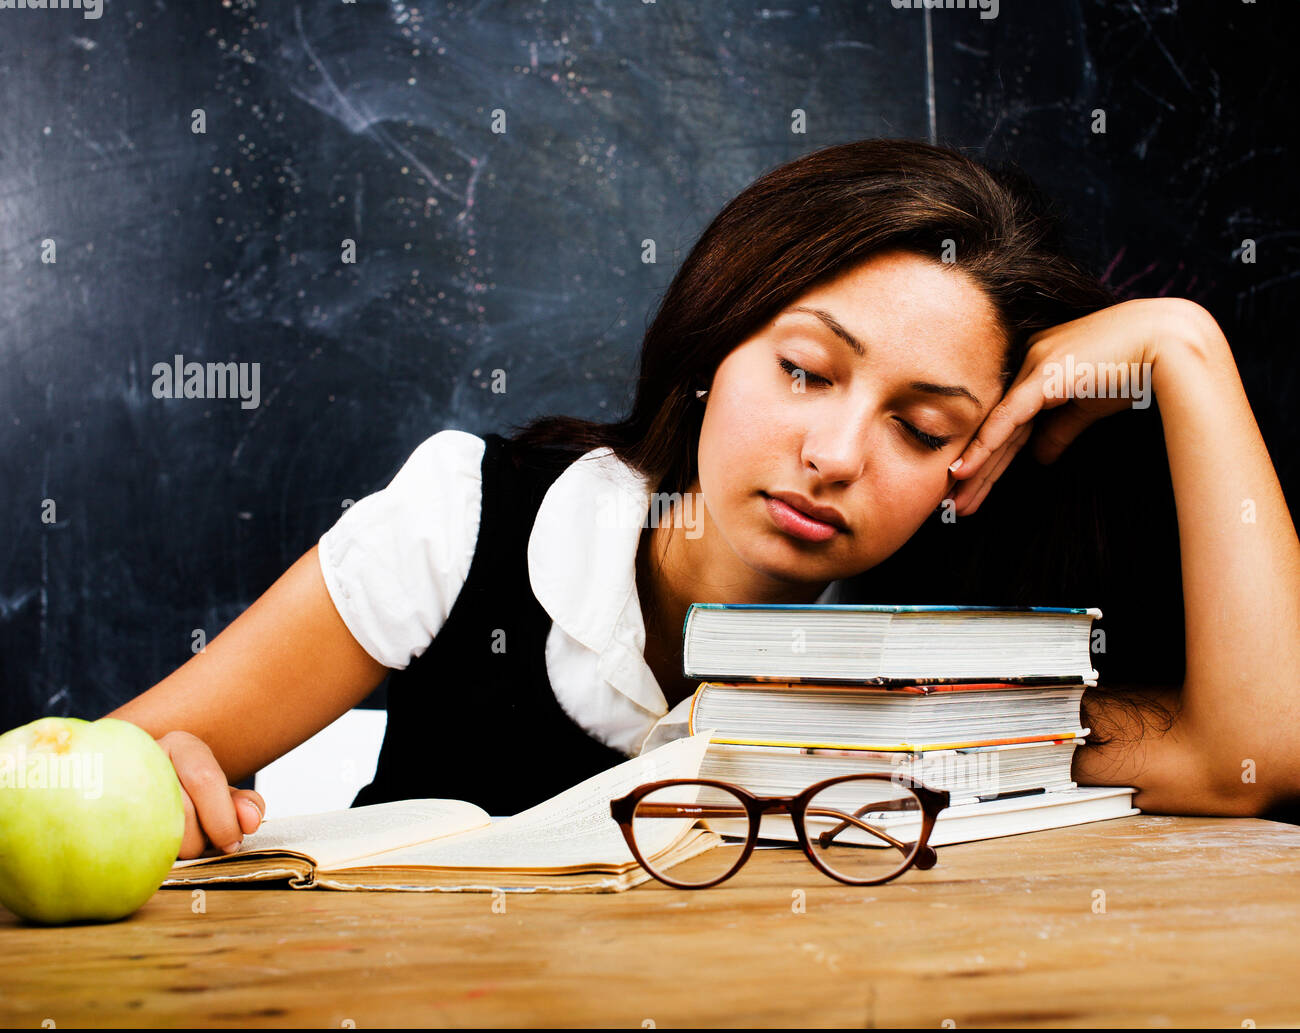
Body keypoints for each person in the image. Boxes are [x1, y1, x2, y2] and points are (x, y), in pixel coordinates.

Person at [106, 138, 1300, 859]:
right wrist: (157, 788)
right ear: (713, 345)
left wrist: (1187, 350)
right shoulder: (472, 518)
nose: (834, 452)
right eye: (803, 370)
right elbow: (110, 759)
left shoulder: (937, 673)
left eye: (920, 425)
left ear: (974, 459)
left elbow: (1248, 757)